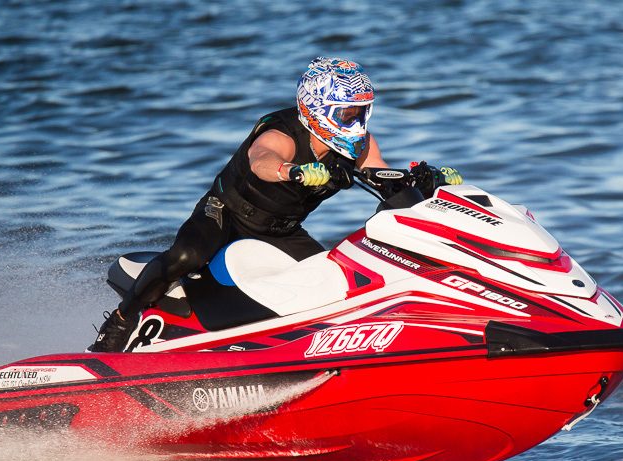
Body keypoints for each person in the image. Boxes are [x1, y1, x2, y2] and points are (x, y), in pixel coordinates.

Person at [89, 57, 464, 352]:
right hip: (227, 214)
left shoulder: (361, 145)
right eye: (347, 114)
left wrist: (423, 181)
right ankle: (119, 324)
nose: (357, 123)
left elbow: (381, 178)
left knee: (330, 284)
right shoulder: (282, 135)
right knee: (185, 257)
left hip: (281, 231)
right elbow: (261, 160)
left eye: (361, 112)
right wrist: (292, 171)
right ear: (316, 109)